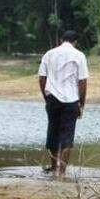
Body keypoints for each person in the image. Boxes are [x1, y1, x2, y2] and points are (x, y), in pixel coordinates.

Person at [38, 30, 89, 178]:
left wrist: (46, 97)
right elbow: (83, 82)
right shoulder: (79, 55)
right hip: (72, 100)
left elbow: (42, 78)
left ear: (61, 39)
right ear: (75, 42)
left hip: (52, 98)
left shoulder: (49, 54)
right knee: (67, 136)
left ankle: (54, 167)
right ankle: (62, 172)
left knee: (53, 132)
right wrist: (81, 104)